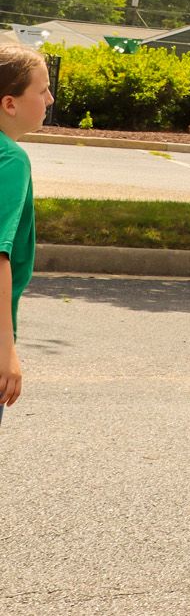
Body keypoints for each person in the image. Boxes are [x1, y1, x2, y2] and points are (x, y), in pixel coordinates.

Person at [0, 43, 54, 422]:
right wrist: (6, 351)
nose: (49, 99)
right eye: (42, 89)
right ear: (10, 104)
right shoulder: (10, 159)